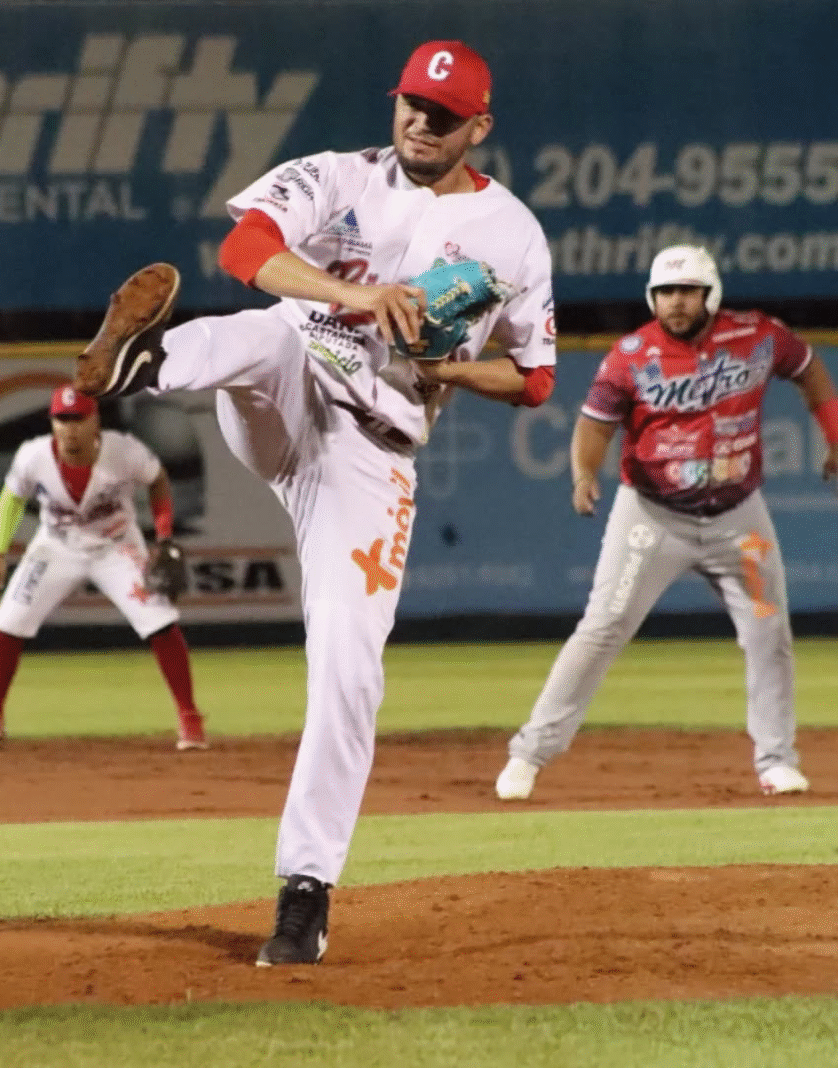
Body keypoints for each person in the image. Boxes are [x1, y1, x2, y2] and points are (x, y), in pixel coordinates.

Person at [74, 40, 556, 965]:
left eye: (444, 113)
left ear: (479, 127)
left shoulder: (513, 236)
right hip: (285, 391)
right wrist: (356, 294)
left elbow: (535, 381)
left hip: (370, 458)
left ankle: (305, 892)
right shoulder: (337, 177)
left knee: (348, 663)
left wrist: (446, 364)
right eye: (412, 102)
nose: (422, 120)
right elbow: (243, 246)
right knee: (272, 335)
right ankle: (144, 365)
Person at [495, 244, 838, 802]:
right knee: (602, 627)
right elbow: (594, 425)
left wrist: (833, 432)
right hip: (651, 516)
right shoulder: (630, 355)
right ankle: (529, 755)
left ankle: (777, 761)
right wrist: (583, 474)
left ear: (711, 294)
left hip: (739, 520)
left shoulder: (758, 336)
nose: (676, 303)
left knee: (769, 632)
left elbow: (810, 370)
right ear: (651, 297)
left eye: (687, 291)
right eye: (665, 293)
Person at [0, 385, 207, 752]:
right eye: (62, 419)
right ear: (52, 423)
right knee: (8, 623)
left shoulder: (124, 451)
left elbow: (157, 481)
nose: (70, 427)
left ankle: (189, 716)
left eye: (77, 418)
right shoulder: (33, 456)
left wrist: (163, 537)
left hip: (116, 545)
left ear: (94, 421)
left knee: (159, 620)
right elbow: (11, 500)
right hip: (56, 546)